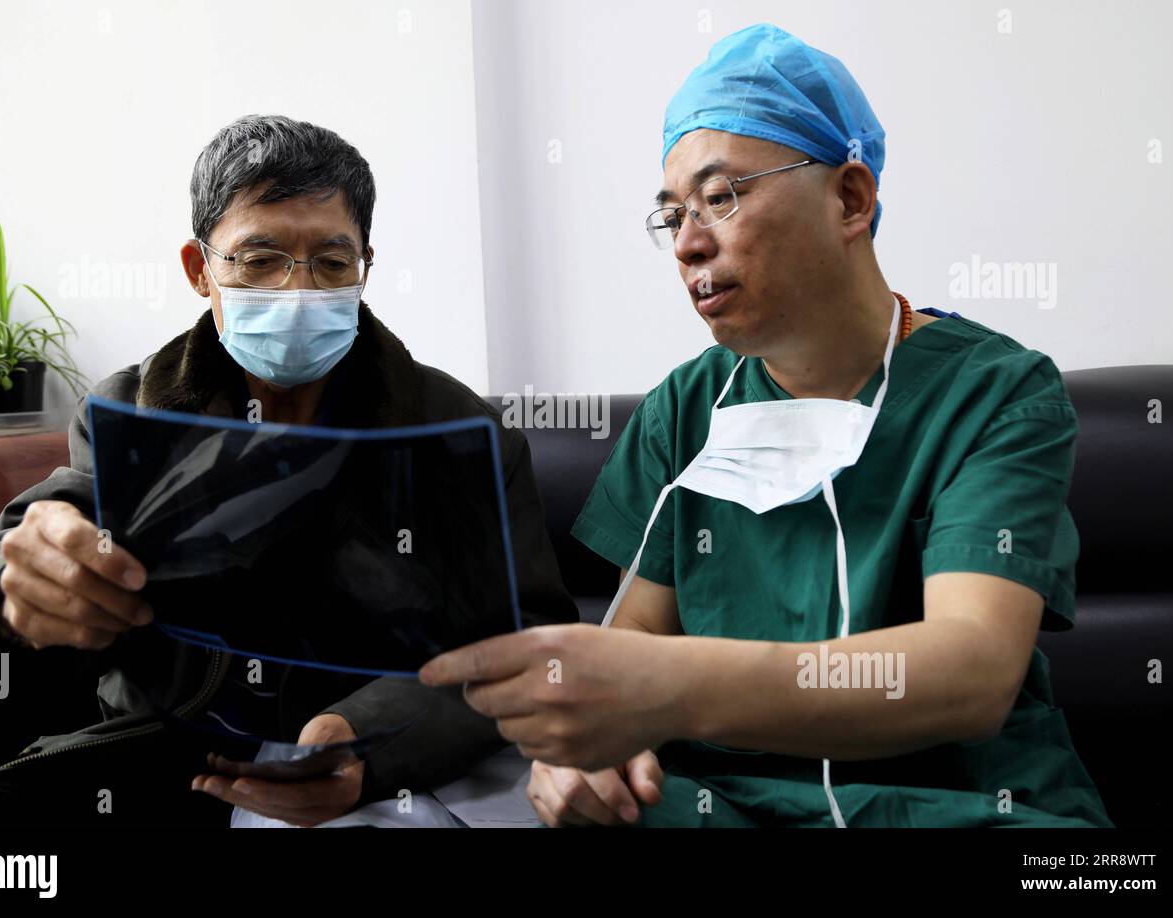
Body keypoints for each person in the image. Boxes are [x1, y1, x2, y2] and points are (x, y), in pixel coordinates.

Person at [420, 24, 1112, 828]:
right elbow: (630, 636)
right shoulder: (682, 412)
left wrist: (671, 690)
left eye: (720, 197)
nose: (687, 242)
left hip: (961, 807)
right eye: (671, 214)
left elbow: (971, 673)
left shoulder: (994, 394)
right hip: (722, 810)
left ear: (850, 199)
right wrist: (587, 746)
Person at [0, 114, 575, 827]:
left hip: (367, 761)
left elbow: (526, 645)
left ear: (365, 268)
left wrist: (369, 739)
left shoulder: (460, 433)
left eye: (330, 261)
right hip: (163, 753)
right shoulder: (133, 409)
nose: (297, 293)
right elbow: (8, 559)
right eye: (259, 260)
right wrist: (15, 589)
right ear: (201, 270)